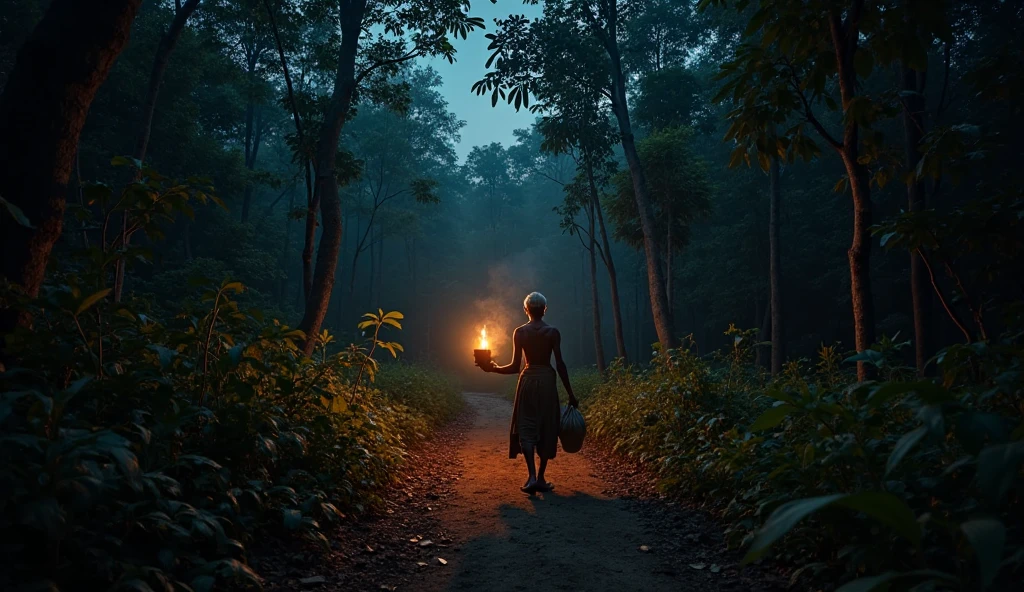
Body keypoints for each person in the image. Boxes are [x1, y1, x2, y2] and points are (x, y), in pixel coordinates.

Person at [478, 292, 578, 494]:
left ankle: (532, 476)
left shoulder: (520, 332)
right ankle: (540, 477)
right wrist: (571, 394)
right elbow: (560, 365)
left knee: (527, 425)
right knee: (547, 425)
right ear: (545, 309)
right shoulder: (552, 332)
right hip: (548, 382)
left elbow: (515, 366)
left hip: (527, 381)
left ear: (526, 310)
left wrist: (493, 368)